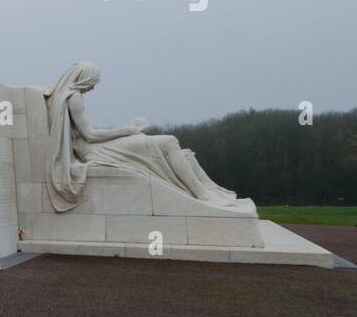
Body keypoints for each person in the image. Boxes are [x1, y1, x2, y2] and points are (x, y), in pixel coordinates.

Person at [43, 62, 251, 214]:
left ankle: (210, 192)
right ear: (84, 79)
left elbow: (85, 133)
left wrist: (127, 129)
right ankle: (203, 196)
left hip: (97, 145)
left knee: (184, 154)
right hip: (96, 149)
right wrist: (127, 130)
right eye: (92, 83)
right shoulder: (74, 97)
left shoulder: (64, 96)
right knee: (169, 141)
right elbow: (89, 135)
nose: (93, 88)